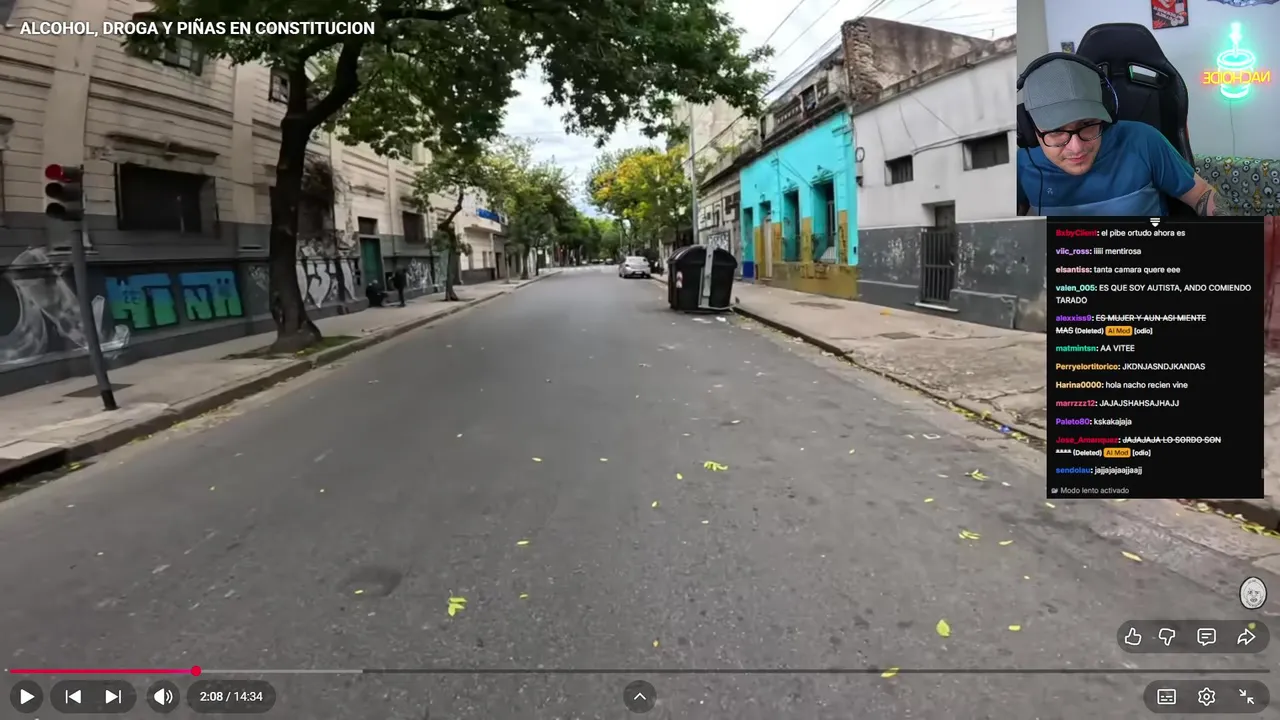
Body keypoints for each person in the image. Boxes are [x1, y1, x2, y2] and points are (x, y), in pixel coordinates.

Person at [1016, 56, 1219, 217]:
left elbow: (1202, 194)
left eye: (1087, 125)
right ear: (1030, 129)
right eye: (1056, 131)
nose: (1076, 148)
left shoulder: (1144, 141)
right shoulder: (1022, 163)